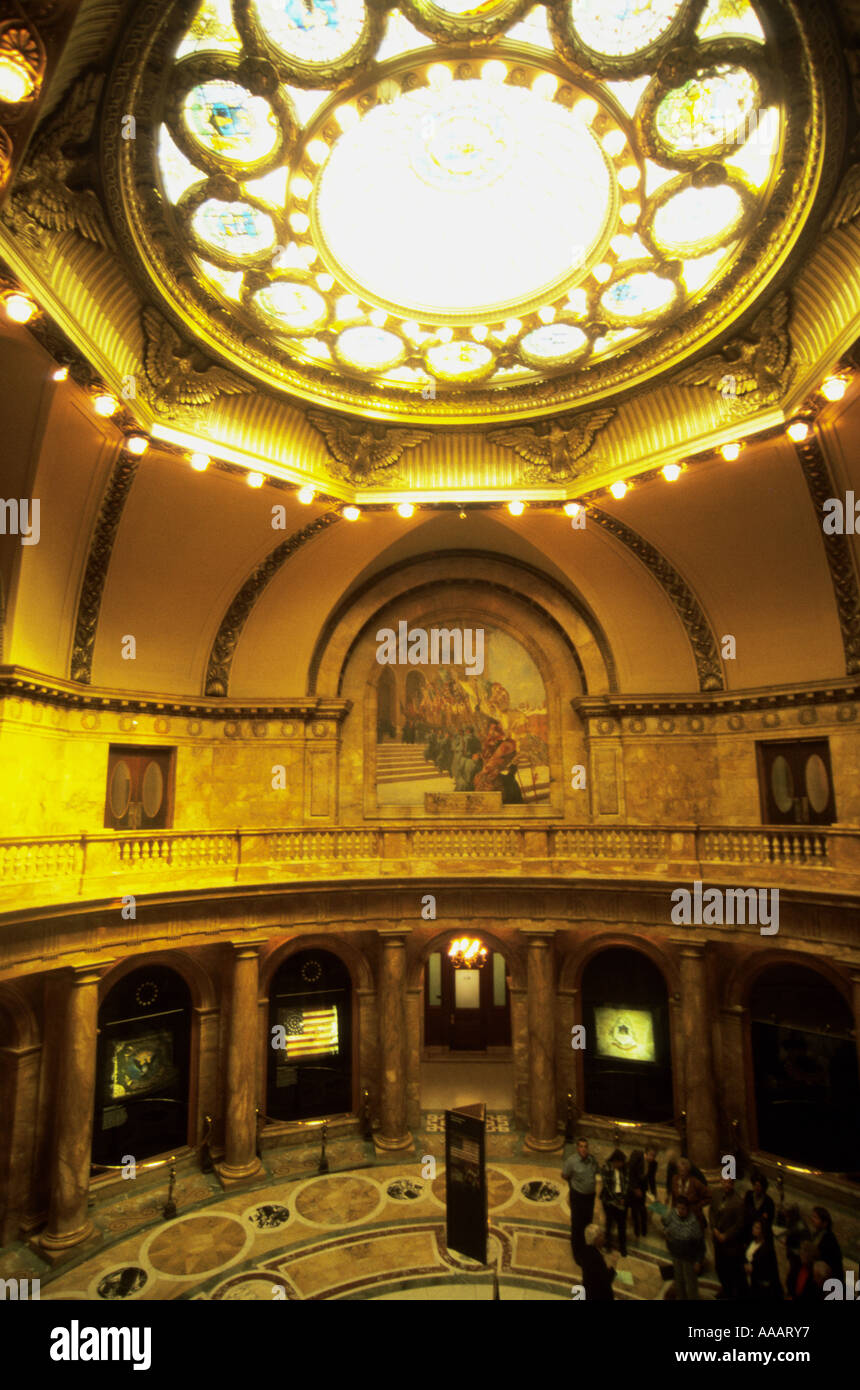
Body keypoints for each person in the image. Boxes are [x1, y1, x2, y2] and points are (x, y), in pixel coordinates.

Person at [562, 1137, 600, 1265]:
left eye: (586, 1146)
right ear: (577, 1148)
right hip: (578, 1196)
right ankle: (577, 1252)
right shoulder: (572, 1161)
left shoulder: (592, 1160)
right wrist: (573, 1185)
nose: (584, 1149)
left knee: (587, 1221)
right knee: (577, 1224)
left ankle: (586, 1246)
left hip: (590, 1196)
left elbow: (596, 1172)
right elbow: (565, 1175)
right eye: (581, 1146)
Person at [710, 1175, 746, 1300]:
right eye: (724, 1182)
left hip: (730, 1244)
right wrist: (714, 1228)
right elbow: (712, 1212)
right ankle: (725, 1288)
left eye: (729, 1183)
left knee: (729, 1269)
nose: (726, 1185)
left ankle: (729, 1292)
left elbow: (739, 1224)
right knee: (718, 1267)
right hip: (716, 1237)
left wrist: (725, 1235)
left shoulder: (738, 1202)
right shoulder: (716, 1194)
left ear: (733, 1184)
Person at [662, 1195, 705, 1301]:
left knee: (690, 1285)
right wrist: (667, 1233)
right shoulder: (673, 1215)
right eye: (678, 1208)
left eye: (683, 1209)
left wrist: (698, 1261)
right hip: (676, 1256)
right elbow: (665, 1224)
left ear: (688, 1209)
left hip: (688, 1259)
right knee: (679, 1282)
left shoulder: (693, 1223)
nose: (680, 1211)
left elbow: (700, 1245)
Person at [600, 1148, 629, 1256]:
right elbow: (607, 1187)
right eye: (620, 1163)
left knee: (622, 1225)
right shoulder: (606, 1168)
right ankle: (607, 1244)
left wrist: (623, 1197)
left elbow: (626, 1182)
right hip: (609, 1200)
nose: (621, 1165)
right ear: (615, 1161)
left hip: (621, 1199)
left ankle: (623, 1246)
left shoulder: (624, 1169)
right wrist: (617, 1200)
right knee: (609, 1223)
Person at [745, 1218, 783, 1301]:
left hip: (761, 1284)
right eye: (754, 1226)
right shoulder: (751, 1242)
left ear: (763, 1231)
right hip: (749, 1280)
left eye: (757, 1227)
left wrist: (752, 1268)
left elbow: (767, 1268)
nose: (754, 1229)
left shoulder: (767, 1248)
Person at [671, 1156, 710, 1228]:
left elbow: (708, 1197)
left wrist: (697, 1206)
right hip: (679, 1214)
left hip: (693, 1215)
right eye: (680, 1170)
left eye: (684, 1171)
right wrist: (673, 1210)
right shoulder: (675, 1179)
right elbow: (674, 1196)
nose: (681, 1173)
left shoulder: (695, 1183)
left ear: (688, 1171)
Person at [580, 1223, 616, 1300]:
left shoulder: (586, 1251)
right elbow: (605, 1280)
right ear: (595, 1239)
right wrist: (612, 1269)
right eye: (600, 1235)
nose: (603, 1237)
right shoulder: (596, 1258)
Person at [810, 1206, 843, 1282]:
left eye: (816, 1218)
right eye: (813, 1216)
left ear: (825, 1223)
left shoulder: (828, 1239)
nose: (812, 1219)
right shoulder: (818, 1234)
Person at [627, 1148, 653, 1240]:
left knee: (642, 1209)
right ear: (646, 1153)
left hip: (643, 1188)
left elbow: (651, 1178)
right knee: (635, 1210)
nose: (652, 1158)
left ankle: (644, 1230)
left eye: (654, 1156)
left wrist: (652, 1193)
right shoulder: (637, 1156)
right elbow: (630, 1172)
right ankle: (637, 1231)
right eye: (651, 1155)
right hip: (634, 1188)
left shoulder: (653, 1163)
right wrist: (635, 1188)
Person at [742, 1172, 775, 1242]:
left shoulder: (768, 1202)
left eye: (759, 1186)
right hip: (747, 1231)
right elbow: (745, 1212)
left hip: (760, 1236)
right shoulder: (749, 1195)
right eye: (755, 1185)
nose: (757, 1188)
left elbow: (768, 1221)